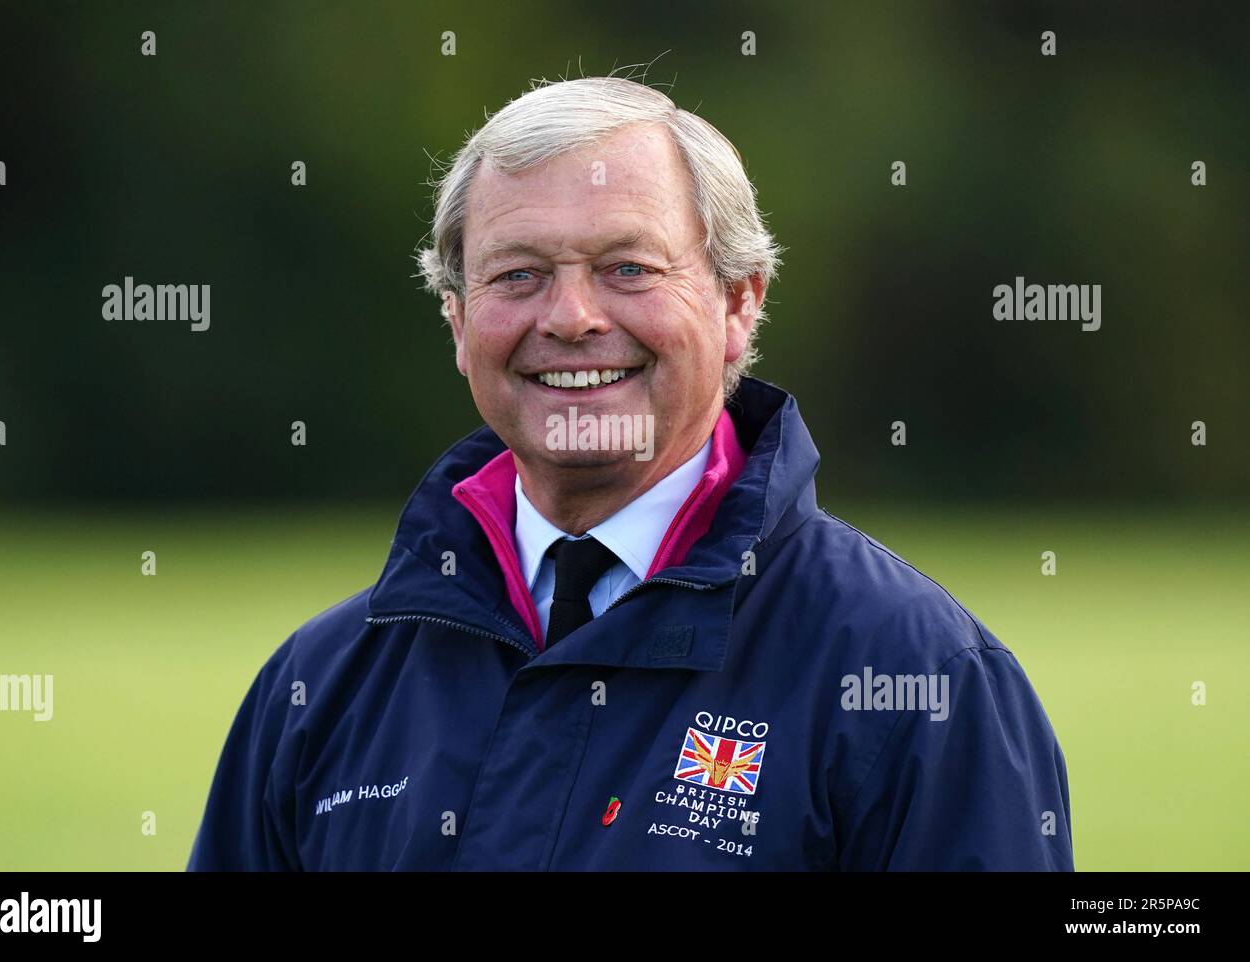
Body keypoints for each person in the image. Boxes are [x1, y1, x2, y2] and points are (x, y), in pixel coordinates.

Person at [187, 75, 1073, 871]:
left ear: (738, 303)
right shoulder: (319, 687)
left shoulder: (922, 676)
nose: (570, 318)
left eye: (628, 269)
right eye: (520, 274)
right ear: (458, 322)